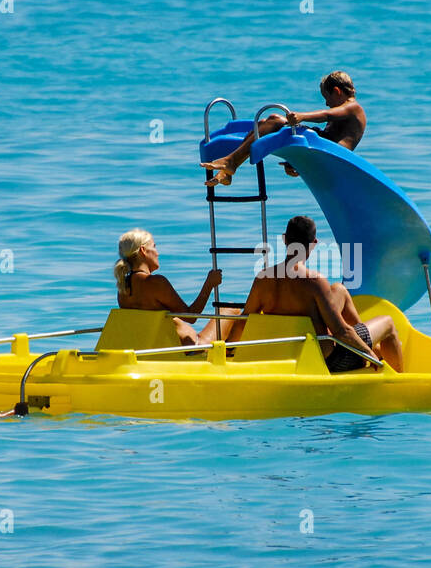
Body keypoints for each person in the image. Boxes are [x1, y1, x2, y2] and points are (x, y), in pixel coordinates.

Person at [225, 216, 403, 374]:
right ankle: (397, 380)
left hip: (287, 355)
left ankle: (374, 346)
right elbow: (342, 332)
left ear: (284, 239)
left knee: (339, 290)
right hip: (328, 362)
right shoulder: (315, 281)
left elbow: (244, 320)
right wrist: (368, 354)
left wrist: (229, 349)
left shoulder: (263, 279)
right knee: (388, 323)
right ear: (314, 243)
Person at [201, 71, 366, 186]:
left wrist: (301, 116)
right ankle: (229, 168)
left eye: (327, 97)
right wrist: (298, 163)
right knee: (268, 121)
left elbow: (325, 115)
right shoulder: (348, 110)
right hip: (322, 150)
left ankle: (231, 162)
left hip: (330, 155)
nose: (326, 103)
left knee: (274, 121)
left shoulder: (353, 107)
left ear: (337, 91)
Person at [114, 229, 236, 345]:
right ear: (143, 251)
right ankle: (229, 357)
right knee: (231, 309)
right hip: (192, 348)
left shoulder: (123, 288)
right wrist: (209, 284)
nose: (158, 253)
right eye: (154, 247)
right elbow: (192, 316)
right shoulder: (156, 282)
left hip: (156, 347)